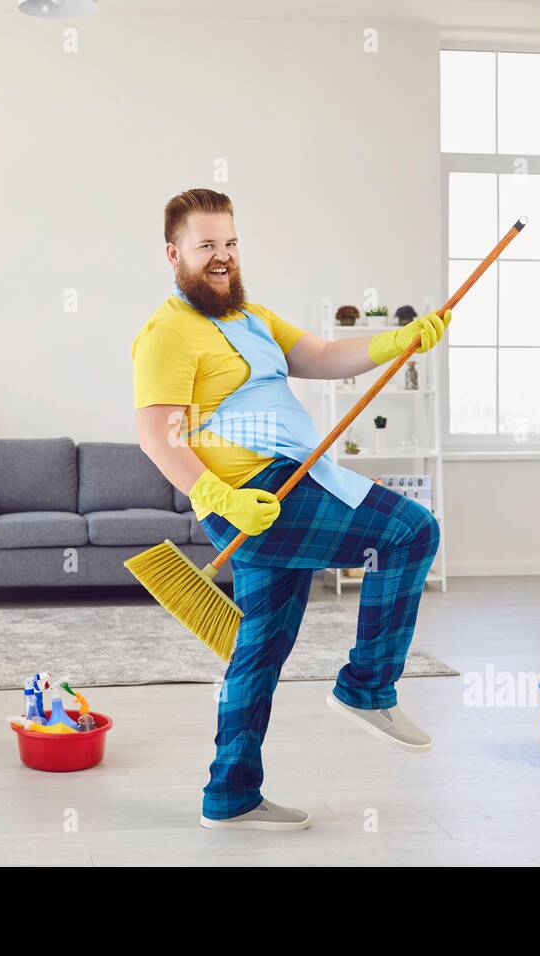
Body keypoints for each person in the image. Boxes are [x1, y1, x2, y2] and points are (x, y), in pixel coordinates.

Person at [132, 188, 446, 831]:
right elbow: (157, 432)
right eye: (206, 246)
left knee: (260, 646)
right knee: (411, 529)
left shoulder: (251, 317)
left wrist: (399, 342)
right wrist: (217, 498)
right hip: (254, 494)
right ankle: (367, 687)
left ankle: (230, 794)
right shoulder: (166, 333)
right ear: (174, 254)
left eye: (230, 243)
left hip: (289, 484)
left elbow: (323, 357)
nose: (222, 258)